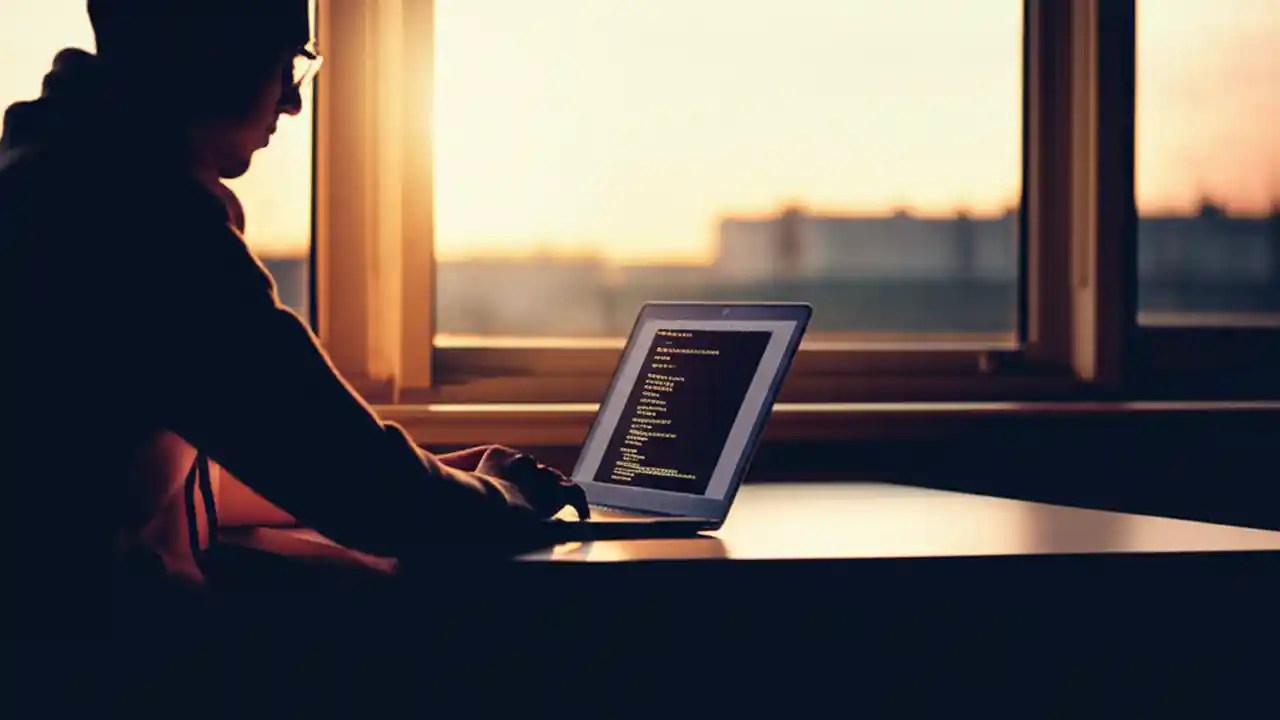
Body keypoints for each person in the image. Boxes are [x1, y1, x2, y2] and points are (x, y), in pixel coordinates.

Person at [0, 0, 588, 599]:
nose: (293, 101)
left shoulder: (51, 175)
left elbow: (245, 454)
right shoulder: (145, 221)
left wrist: (445, 474)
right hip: (71, 663)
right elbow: (363, 496)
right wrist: (508, 498)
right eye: (288, 64)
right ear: (213, 52)